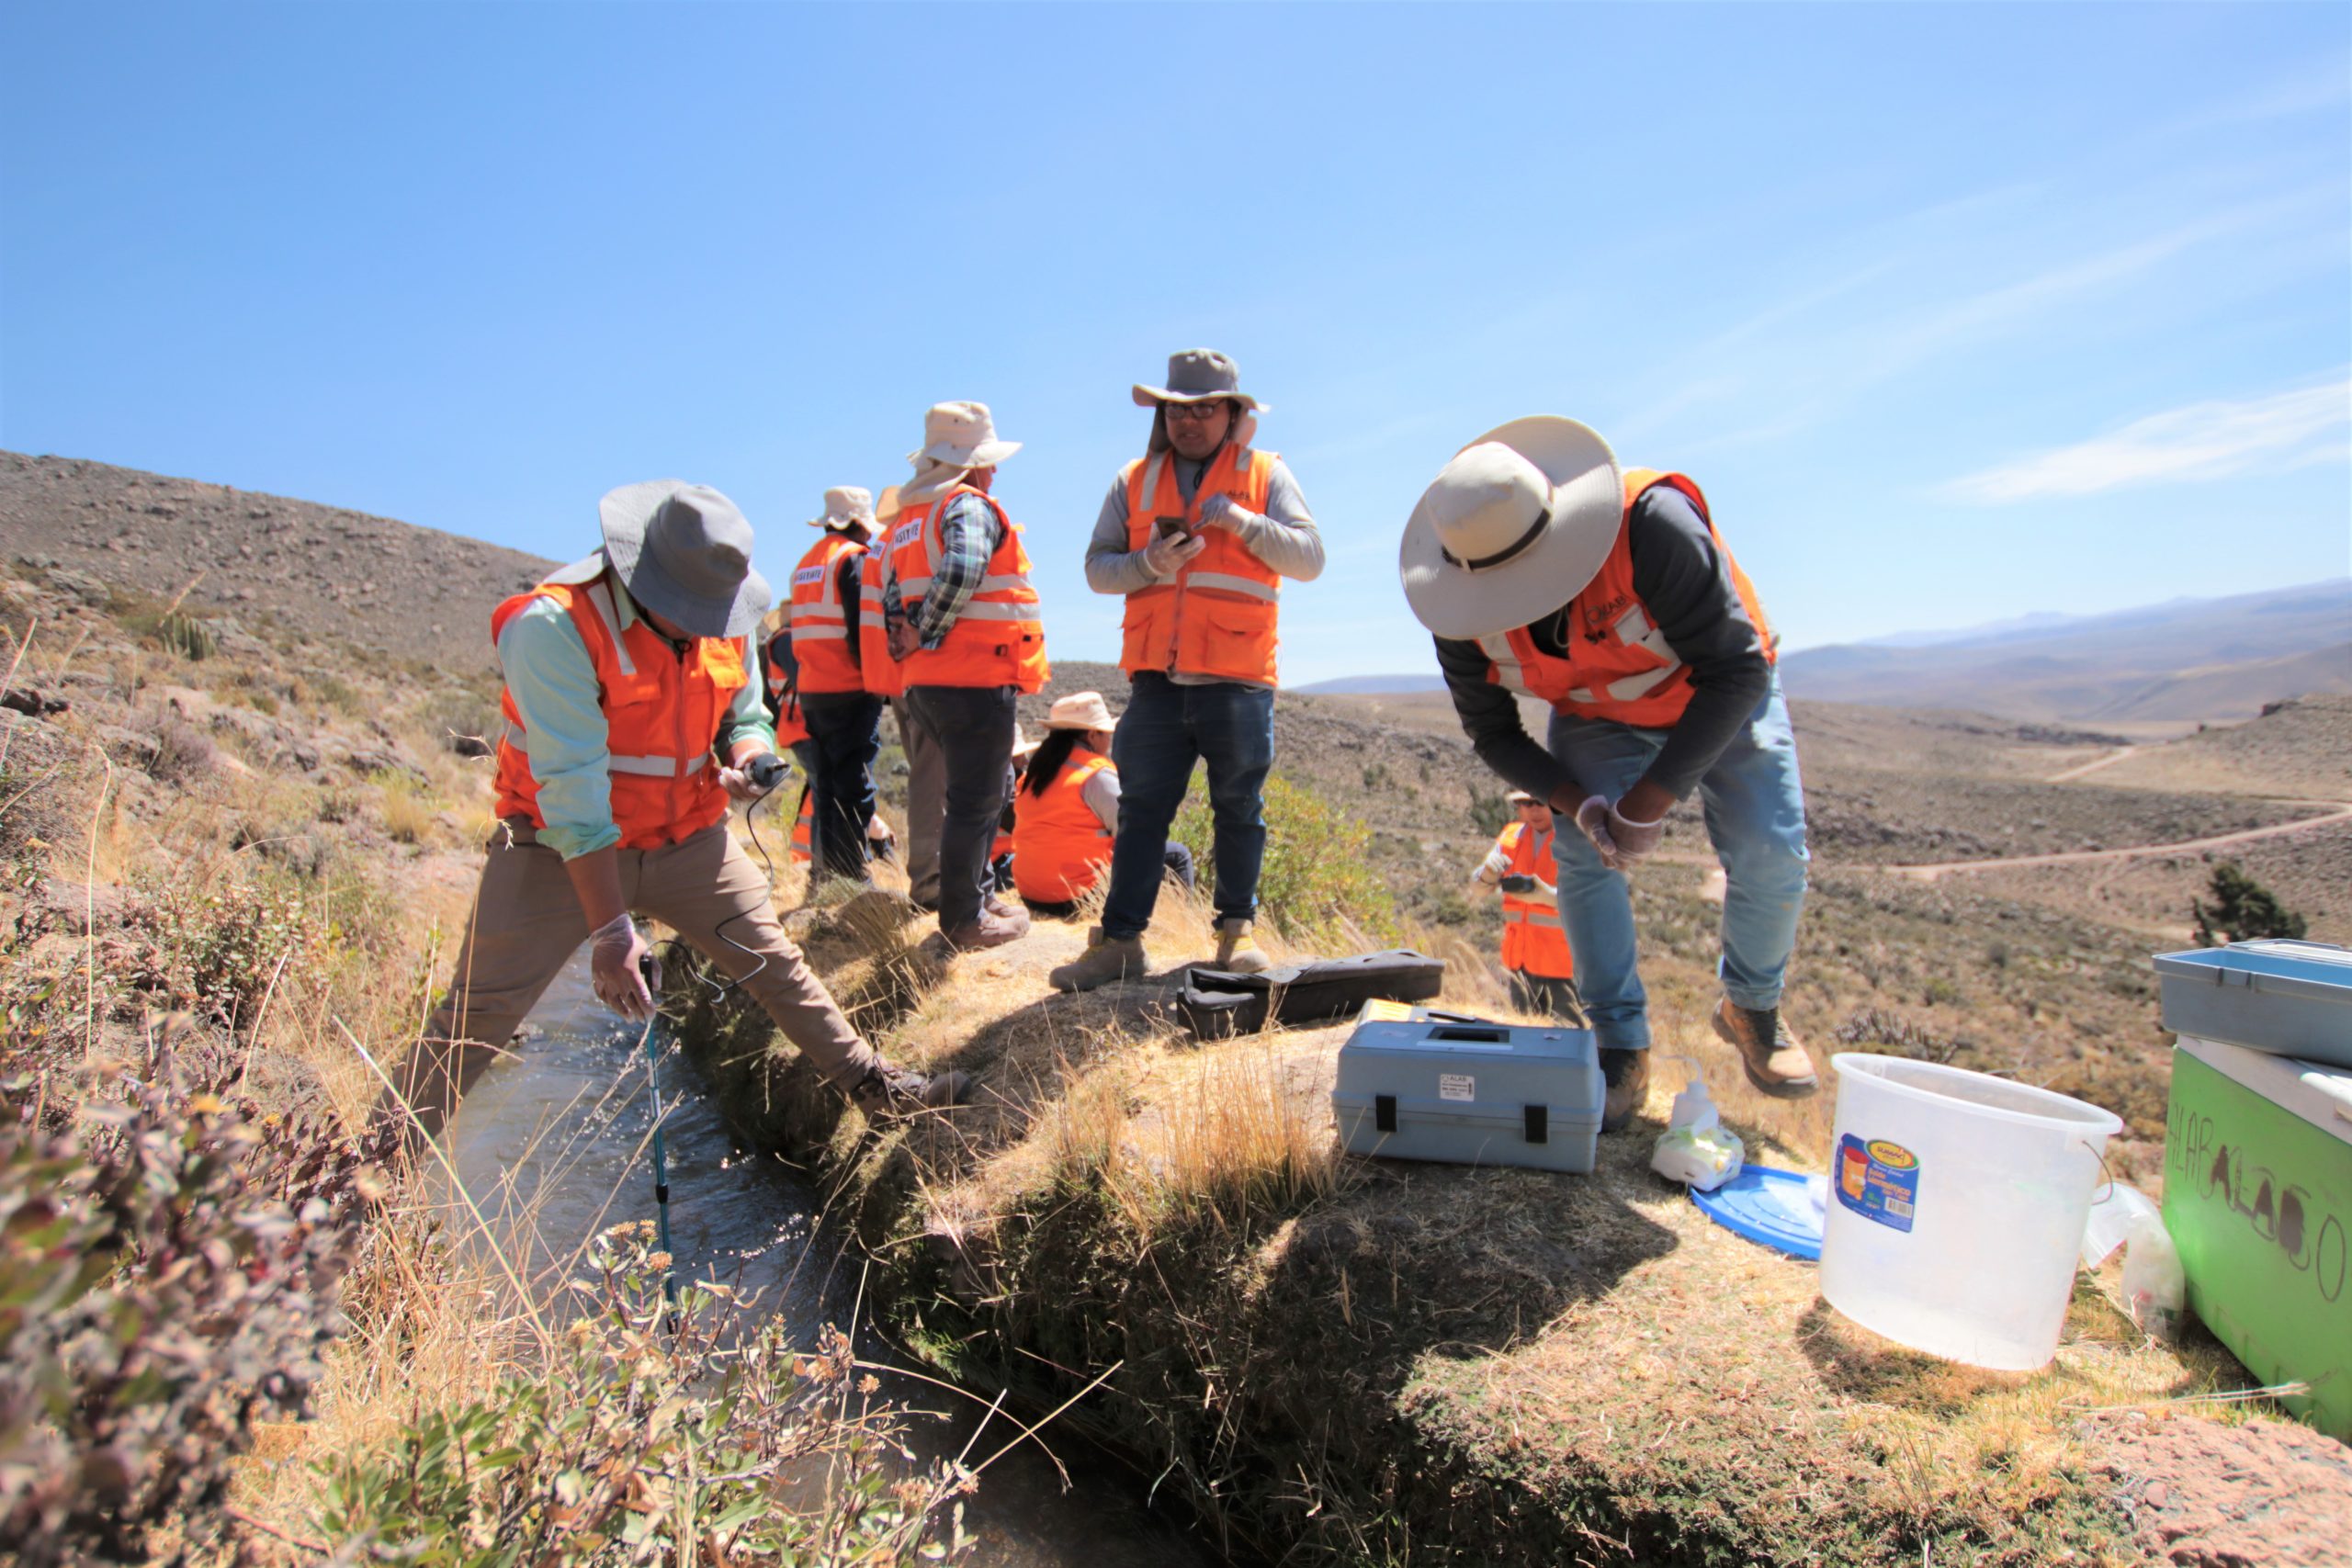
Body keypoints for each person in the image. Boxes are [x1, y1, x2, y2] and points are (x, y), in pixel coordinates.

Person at [376, 479, 964, 1154]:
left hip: (687, 837)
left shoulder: (724, 614)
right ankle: (359, 1181)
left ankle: (878, 1090)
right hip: (554, 846)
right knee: (476, 1017)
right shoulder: (554, 628)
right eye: (693, 611)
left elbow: (745, 713)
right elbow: (573, 792)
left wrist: (749, 754)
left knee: (776, 964)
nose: (710, 624)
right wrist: (610, 929)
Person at [1400, 418, 1817, 1133]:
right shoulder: (1457, 604)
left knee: (1769, 850)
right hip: (1598, 715)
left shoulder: (1652, 525)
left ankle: (1751, 1005)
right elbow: (1492, 731)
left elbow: (1737, 668)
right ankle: (1620, 1041)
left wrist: (1646, 805)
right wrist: (1582, 805)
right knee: (1580, 851)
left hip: (1721, 695)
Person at [1051, 350, 1324, 992]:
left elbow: (1309, 557)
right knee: (1140, 811)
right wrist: (1147, 564)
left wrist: (1240, 519)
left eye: (1204, 409)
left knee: (1240, 806)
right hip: (1155, 681)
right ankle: (1121, 942)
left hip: (1238, 678)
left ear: (1231, 412)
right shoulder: (1133, 480)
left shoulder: (1266, 472)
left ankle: (1236, 934)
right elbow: (1096, 569)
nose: (1189, 421)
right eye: (1178, 409)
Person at [882, 402, 1049, 950]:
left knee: (986, 790)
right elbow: (963, 566)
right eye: (987, 460)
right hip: (971, 678)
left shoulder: (907, 522)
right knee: (975, 801)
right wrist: (926, 628)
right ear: (966, 463)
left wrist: (910, 637)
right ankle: (962, 921)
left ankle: (978, 895)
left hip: (926, 684)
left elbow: (889, 592)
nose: (993, 471)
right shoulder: (966, 505)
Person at [775, 486, 887, 885]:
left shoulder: (805, 564)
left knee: (826, 788)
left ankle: (828, 876)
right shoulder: (852, 559)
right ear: (859, 523)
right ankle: (852, 877)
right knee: (854, 787)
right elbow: (862, 632)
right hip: (850, 689)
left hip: (813, 691)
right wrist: (880, 683)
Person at [1012, 691, 1195, 919]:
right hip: (1075, 897)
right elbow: (1131, 833)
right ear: (1092, 735)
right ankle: (1183, 924)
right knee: (1177, 855)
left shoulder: (1035, 774)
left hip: (1030, 892)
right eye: (1107, 733)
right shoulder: (1094, 774)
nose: (1109, 740)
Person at [1471, 789, 1580, 1021]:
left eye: (1540, 802)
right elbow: (1478, 889)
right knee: (1525, 1033)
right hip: (1520, 964)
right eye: (1525, 803)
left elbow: (1589, 899)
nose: (1533, 810)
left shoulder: (1574, 839)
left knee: (1568, 1035)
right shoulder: (1511, 836)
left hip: (1563, 966)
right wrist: (1487, 875)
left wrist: (1547, 896)